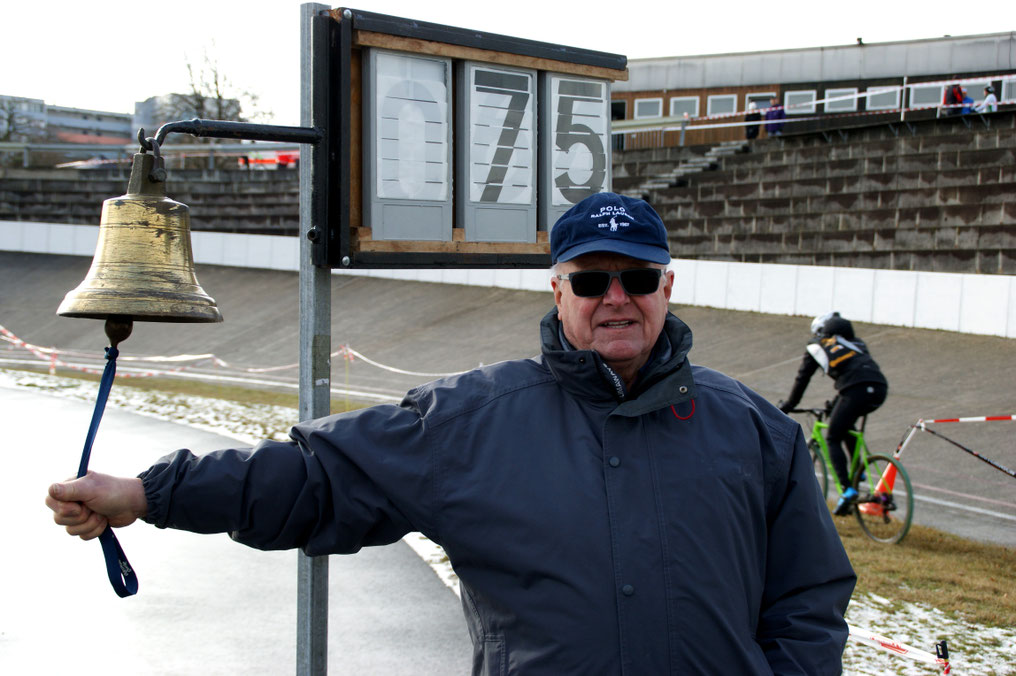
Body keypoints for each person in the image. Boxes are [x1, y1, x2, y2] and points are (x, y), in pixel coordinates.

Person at [47, 193, 855, 674]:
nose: (616, 297)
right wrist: (149, 493)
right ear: (558, 290)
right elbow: (317, 478)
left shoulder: (755, 431)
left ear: (667, 286)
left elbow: (808, 598)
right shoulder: (473, 421)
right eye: (591, 280)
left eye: (637, 277)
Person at [778, 312, 889, 516]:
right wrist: (835, 404)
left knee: (833, 437)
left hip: (854, 390)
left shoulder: (816, 346)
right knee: (845, 423)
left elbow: (802, 378)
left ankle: (847, 489)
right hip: (879, 388)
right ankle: (858, 470)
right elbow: (859, 372)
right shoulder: (857, 344)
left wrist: (789, 405)